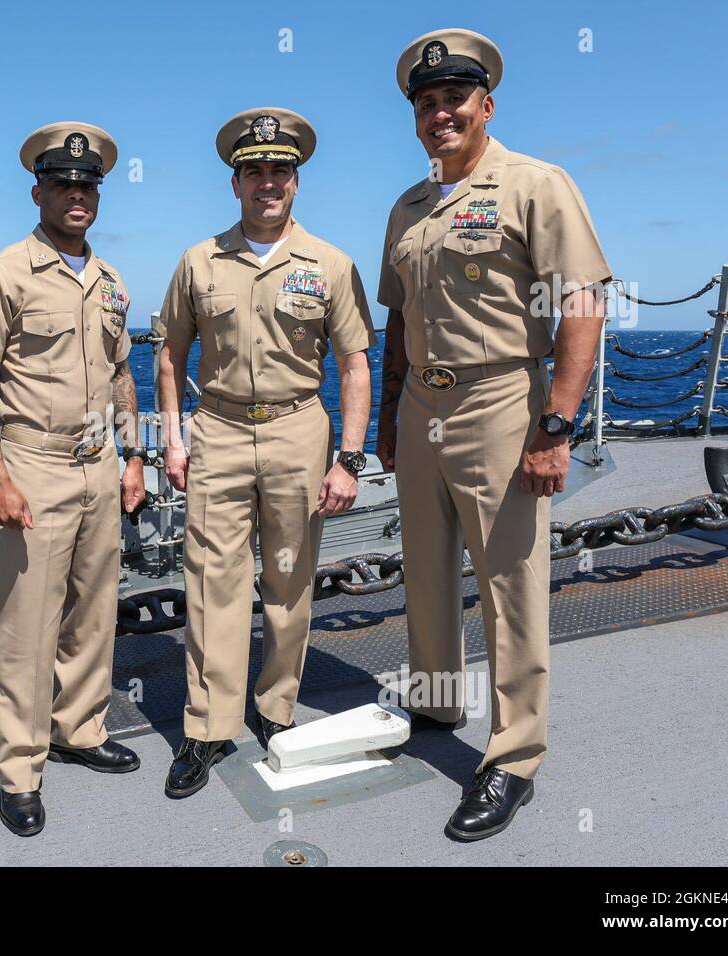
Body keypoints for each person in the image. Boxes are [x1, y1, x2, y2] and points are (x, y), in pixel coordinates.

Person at [376, 29, 611, 840]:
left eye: (454, 99)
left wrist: (556, 427)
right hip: (421, 413)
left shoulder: (535, 184)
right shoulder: (407, 208)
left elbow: (581, 304)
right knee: (427, 571)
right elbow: (399, 324)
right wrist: (387, 415)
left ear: (486, 105)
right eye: (427, 102)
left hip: (502, 401)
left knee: (510, 581)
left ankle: (513, 756)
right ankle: (437, 706)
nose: (441, 112)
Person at [156, 107, 377, 799]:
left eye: (280, 171)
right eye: (255, 172)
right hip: (216, 430)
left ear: (296, 182)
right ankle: (208, 726)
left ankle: (275, 709)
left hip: (298, 431)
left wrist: (349, 457)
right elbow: (170, 352)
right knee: (211, 584)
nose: (268, 183)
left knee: (289, 581)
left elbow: (355, 365)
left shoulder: (331, 264)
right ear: (235, 183)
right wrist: (170, 434)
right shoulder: (198, 261)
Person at [0, 122, 146, 836]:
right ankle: (19, 768)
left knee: (94, 612)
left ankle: (80, 730)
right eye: (62, 183)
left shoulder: (112, 279)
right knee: (26, 625)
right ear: (37, 191)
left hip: (101, 463)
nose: (76, 195)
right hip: (32, 463)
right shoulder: (2, 272)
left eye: (87, 185)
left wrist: (133, 457)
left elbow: (124, 372)